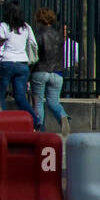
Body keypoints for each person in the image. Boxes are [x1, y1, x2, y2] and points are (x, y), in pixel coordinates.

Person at [30, 7, 70, 136]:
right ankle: (62, 116)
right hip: (57, 72)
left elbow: (35, 55)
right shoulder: (59, 36)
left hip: (41, 70)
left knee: (39, 101)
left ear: (39, 19)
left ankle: (39, 127)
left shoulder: (38, 35)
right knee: (53, 101)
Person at [0, 1, 36, 121]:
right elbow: (33, 44)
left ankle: (3, 121)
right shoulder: (26, 27)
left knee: (0, 96)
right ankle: (35, 120)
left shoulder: (3, 26)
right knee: (20, 98)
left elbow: (0, 46)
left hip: (7, 62)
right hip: (22, 63)